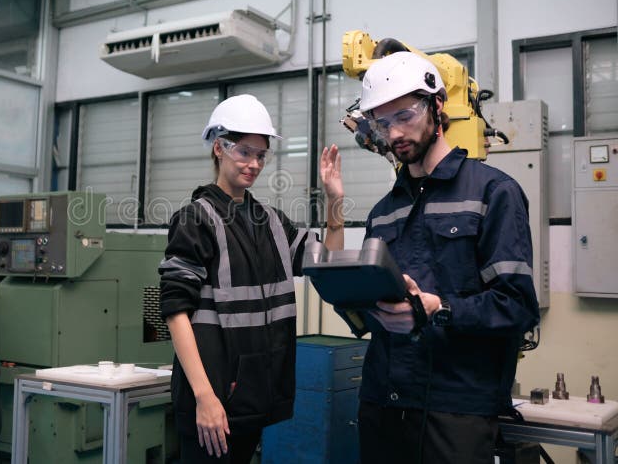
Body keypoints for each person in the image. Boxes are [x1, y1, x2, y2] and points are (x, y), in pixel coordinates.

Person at [337, 51, 540, 464]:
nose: (394, 133)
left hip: (456, 411)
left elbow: (517, 306)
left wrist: (438, 308)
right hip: (383, 402)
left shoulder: (492, 193)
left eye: (405, 116)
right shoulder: (383, 211)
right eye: (382, 122)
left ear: (438, 106)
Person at [159, 94, 344, 463]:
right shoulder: (196, 219)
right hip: (211, 405)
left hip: (252, 398)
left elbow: (329, 262)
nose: (254, 163)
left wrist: (334, 201)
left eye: (261, 155)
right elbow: (175, 311)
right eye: (244, 152)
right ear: (218, 148)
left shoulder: (272, 221)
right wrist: (204, 396)